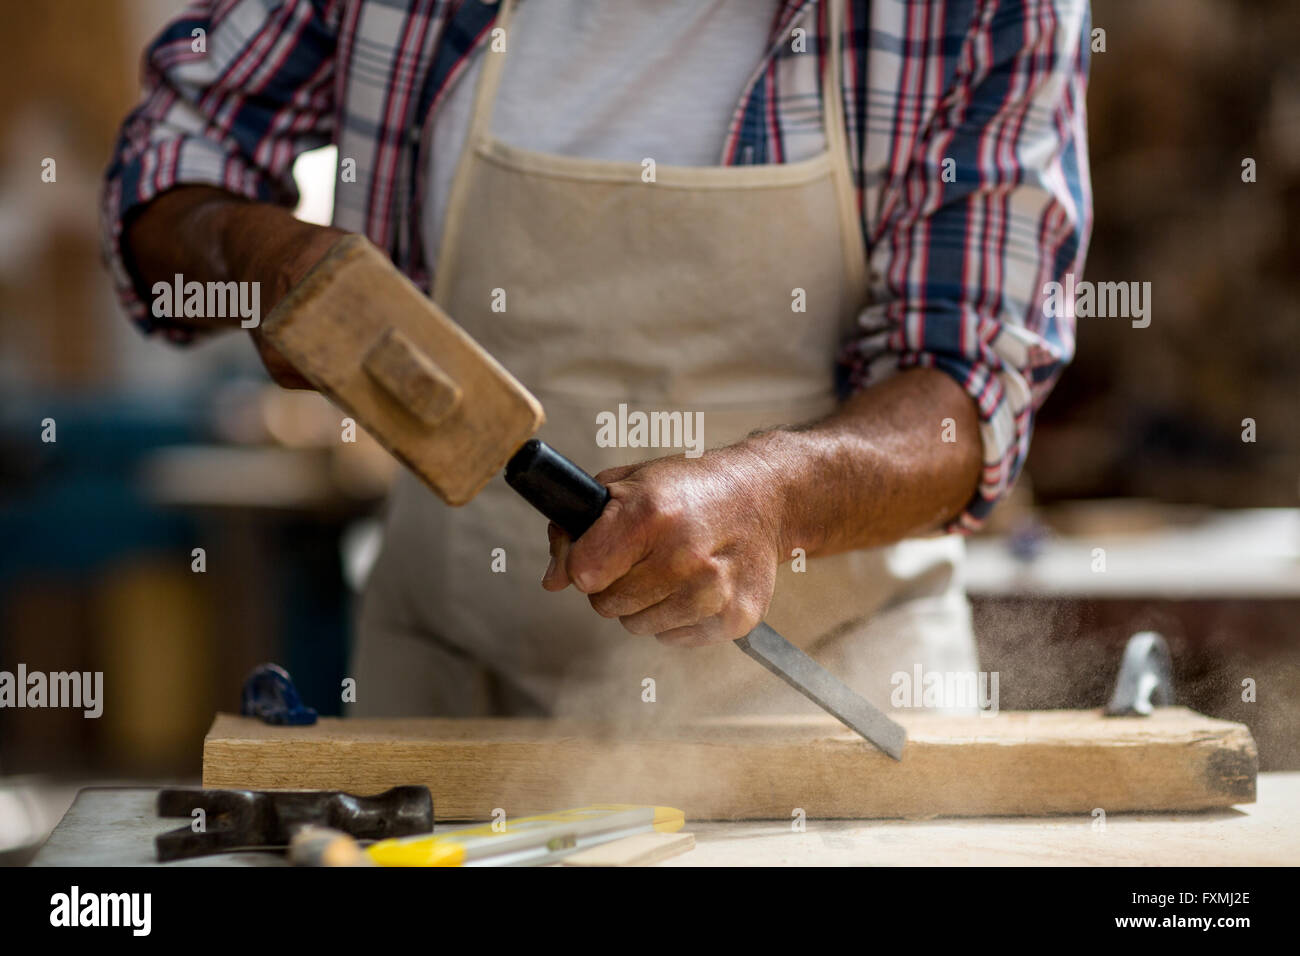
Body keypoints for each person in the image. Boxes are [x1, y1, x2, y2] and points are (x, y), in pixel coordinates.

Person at [104, 0, 1091, 720]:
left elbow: (967, 392)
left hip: (826, 692)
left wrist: (768, 497)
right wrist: (249, 255)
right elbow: (170, 160)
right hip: (455, 694)